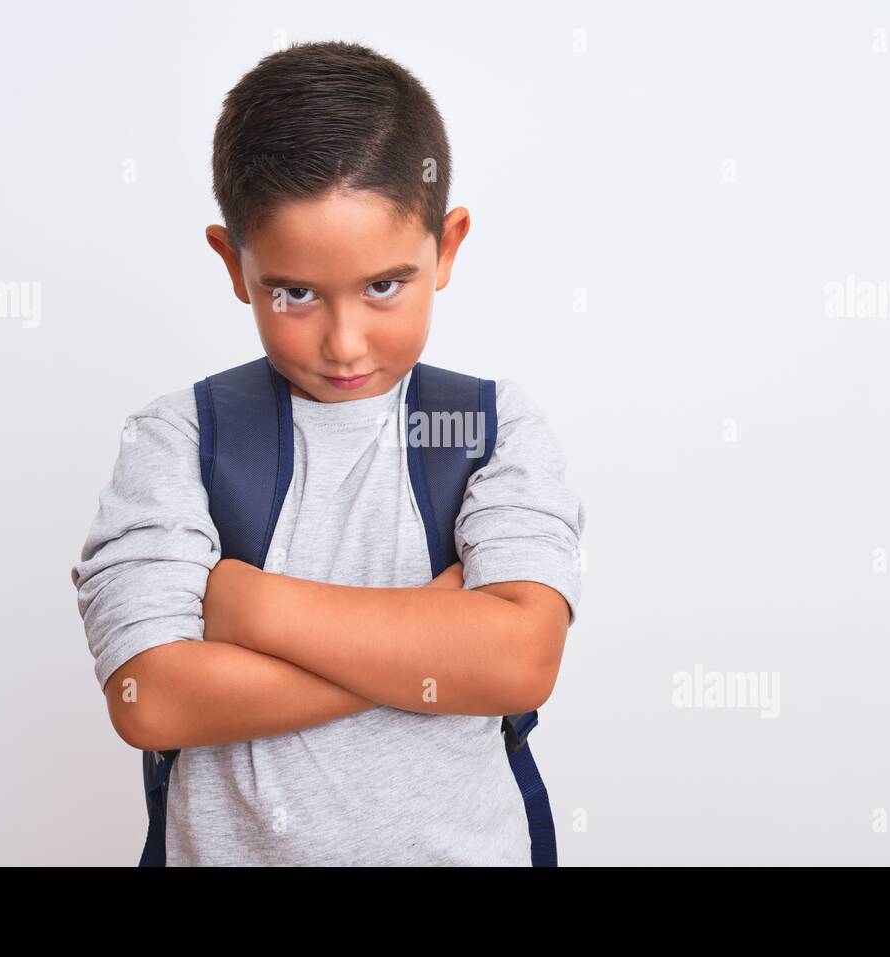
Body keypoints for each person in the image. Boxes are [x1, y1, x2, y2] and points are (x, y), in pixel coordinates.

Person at [71, 39, 586, 865]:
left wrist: (250, 610)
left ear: (446, 247)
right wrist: (438, 644)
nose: (345, 344)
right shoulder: (181, 440)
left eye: (385, 285)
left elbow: (521, 661)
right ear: (234, 264)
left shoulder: (491, 427)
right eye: (296, 293)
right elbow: (151, 698)